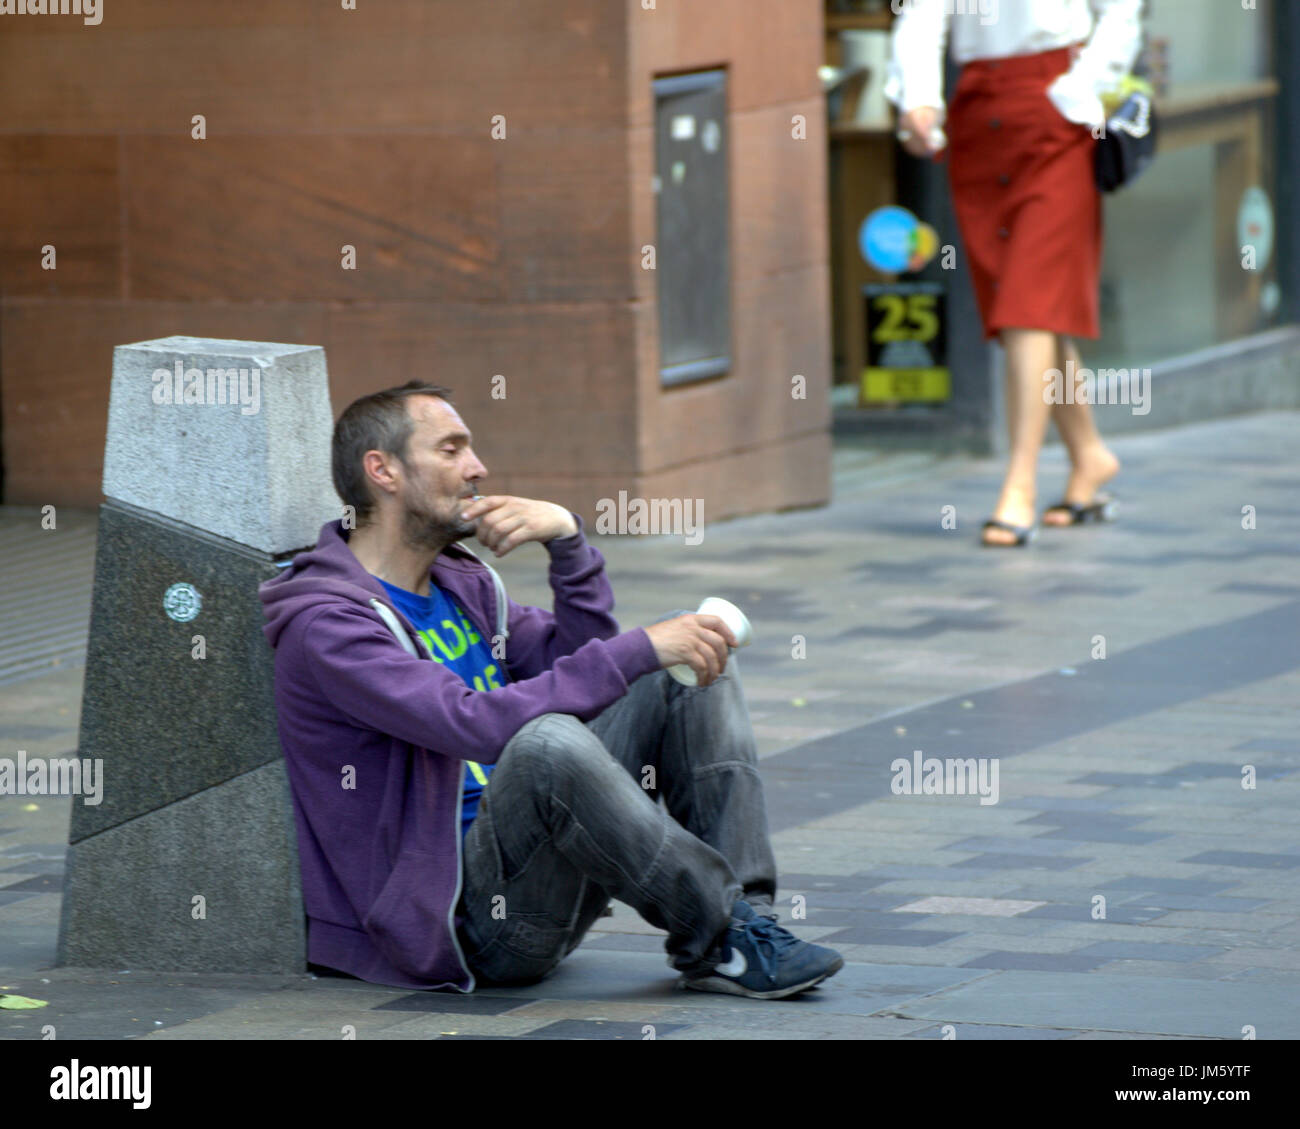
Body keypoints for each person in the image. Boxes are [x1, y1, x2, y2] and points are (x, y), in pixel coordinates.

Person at [258, 381, 843, 1000]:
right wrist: (641, 646)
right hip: (471, 925)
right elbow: (473, 725)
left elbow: (581, 662)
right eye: (452, 450)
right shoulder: (330, 625)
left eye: (471, 450)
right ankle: (718, 928)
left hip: (549, 870)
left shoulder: (461, 583)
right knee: (546, 743)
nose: (478, 469)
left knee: (693, 660)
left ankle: (744, 925)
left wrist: (566, 543)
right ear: (383, 471)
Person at [885, 0, 1144, 545]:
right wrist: (919, 100)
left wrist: (1082, 86)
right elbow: (921, 18)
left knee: (1028, 305)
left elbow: (1122, 12)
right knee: (1031, 311)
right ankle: (1090, 456)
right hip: (980, 117)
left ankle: (1019, 483)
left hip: (1059, 113)